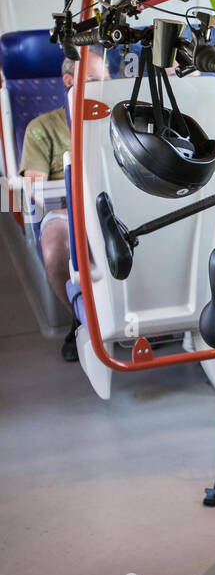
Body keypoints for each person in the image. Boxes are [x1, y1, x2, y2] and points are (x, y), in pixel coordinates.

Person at [20, 48, 108, 361]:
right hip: (64, 211)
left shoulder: (119, 119)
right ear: (69, 81)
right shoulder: (42, 128)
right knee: (57, 250)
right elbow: (36, 189)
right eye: (93, 81)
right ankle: (79, 318)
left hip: (111, 205)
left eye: (105, 81)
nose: (101, 89)